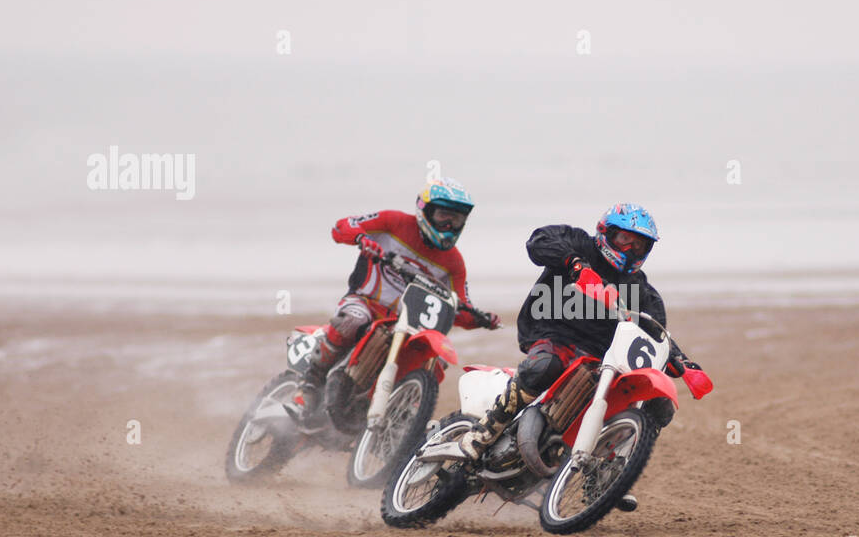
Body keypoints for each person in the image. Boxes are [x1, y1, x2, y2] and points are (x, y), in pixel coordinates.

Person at [456, 203, 705, 473]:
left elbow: (656, 335)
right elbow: (538, 242)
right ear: (605, 232)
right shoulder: (578, 243)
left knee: (660, 404)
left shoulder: (642, 291)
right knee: (545, 366)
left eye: (640, 245)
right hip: (552, 332)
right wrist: (575, 264)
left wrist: (682, 361)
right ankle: (484, 433)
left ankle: (612, 473)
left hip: (602, 357)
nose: (631, 250)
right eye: (624, 240)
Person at [286, 178, 499, 422]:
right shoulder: (393, 222)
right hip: (364, 302)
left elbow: (460, 306)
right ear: (425, 210)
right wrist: (361, 240)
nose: (450, 224)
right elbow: (342, 227)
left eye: (458, 219)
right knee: (354, 321)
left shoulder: (454, 262)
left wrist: (481, 318)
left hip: (405, 322)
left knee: (435, 359)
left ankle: (400, 417)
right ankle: (309, 386)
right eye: (444, 215)